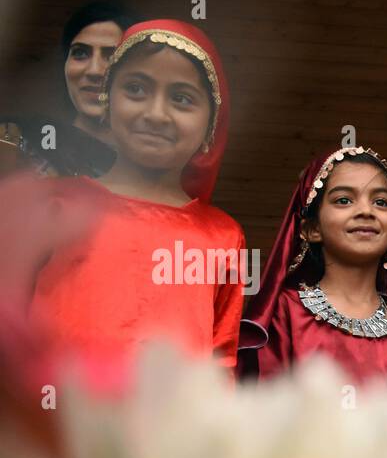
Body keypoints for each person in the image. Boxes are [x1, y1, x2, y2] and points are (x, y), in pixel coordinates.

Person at [26, 19, 244, 374]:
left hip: (171, 428)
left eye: (182, 98)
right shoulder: (52, 206)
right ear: (108, 102)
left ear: (211, 125)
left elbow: (220, 365)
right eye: (137, 89)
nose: (155, 114)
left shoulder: (223, 236)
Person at [239, 147, 387, 383]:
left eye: (380, 202)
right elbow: (267, 411)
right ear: (311, 229)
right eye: (344, 200)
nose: (366, 211)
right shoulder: (285, 313)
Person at [1, 0, 137, 179]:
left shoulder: (157, 167)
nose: (94, 71)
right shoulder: (20, 142)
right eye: (80, 53)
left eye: (111, 55)